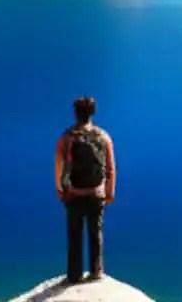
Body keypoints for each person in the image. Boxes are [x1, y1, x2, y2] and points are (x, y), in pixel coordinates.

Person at [55, 96, 115, 285]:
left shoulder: (66, 138)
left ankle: (74, 274)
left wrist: (60, 189)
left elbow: (59, 165)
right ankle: (96, 271)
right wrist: (109, 191)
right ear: (93, 113)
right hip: (96, 193)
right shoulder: (103, 136)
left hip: (73, 194)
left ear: (75, 113)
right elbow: (111, 167)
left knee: (74, 234)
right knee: (95, 233)